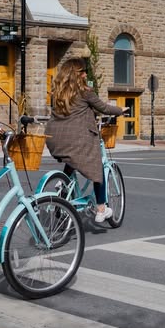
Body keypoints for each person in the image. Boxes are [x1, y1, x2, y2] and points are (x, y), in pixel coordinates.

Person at [44, 57, 124, 223]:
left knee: (71, 158)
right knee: (97, 168)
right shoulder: (85, 92)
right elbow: (104, 108)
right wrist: (120, 110)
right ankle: (101, 208)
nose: (86, 74)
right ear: (77, 74)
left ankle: (64, 185)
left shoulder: (58, 92)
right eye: (83, 71)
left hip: (54, 138)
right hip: (77, 139)